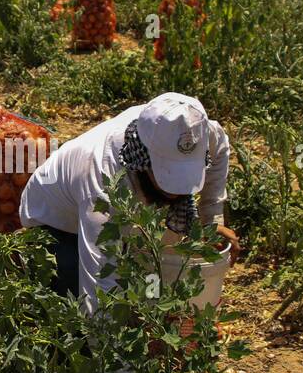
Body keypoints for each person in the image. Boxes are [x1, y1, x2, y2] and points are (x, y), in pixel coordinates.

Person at [19, 92, 240, 311]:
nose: (176, 194)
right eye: (167, 176)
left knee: (155, 269)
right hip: (57, 224)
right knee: (76, 297)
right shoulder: (103, 183)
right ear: (142, 157)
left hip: (120, 213)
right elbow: (99, 280)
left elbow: (220, 149)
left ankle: (152, 307)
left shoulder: (196, 133)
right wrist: (114, 341)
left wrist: (210, 220)